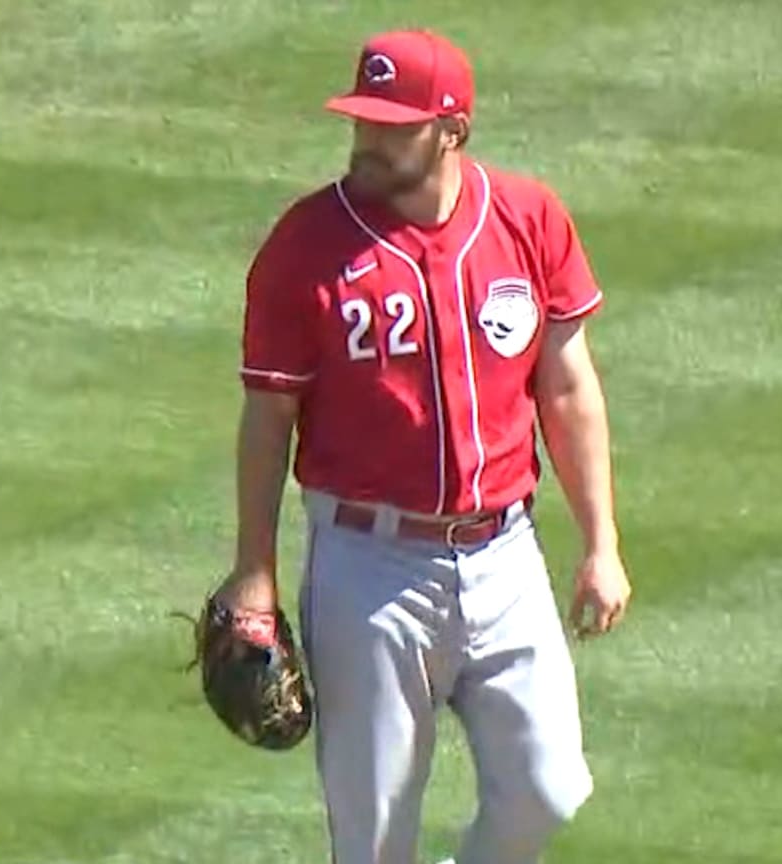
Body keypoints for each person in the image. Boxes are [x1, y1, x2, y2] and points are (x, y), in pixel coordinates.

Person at [216, 27, 633, 864]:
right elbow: (269, 417)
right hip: (370, 573)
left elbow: (566, 385)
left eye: (391, 125)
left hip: (505, 555)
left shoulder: (527, 218)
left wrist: (602, 545)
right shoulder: (306, 246)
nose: (368, 139)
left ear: (452, 129)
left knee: (547, 789)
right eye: (361, 120)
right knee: (373, 838)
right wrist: (255, 569)